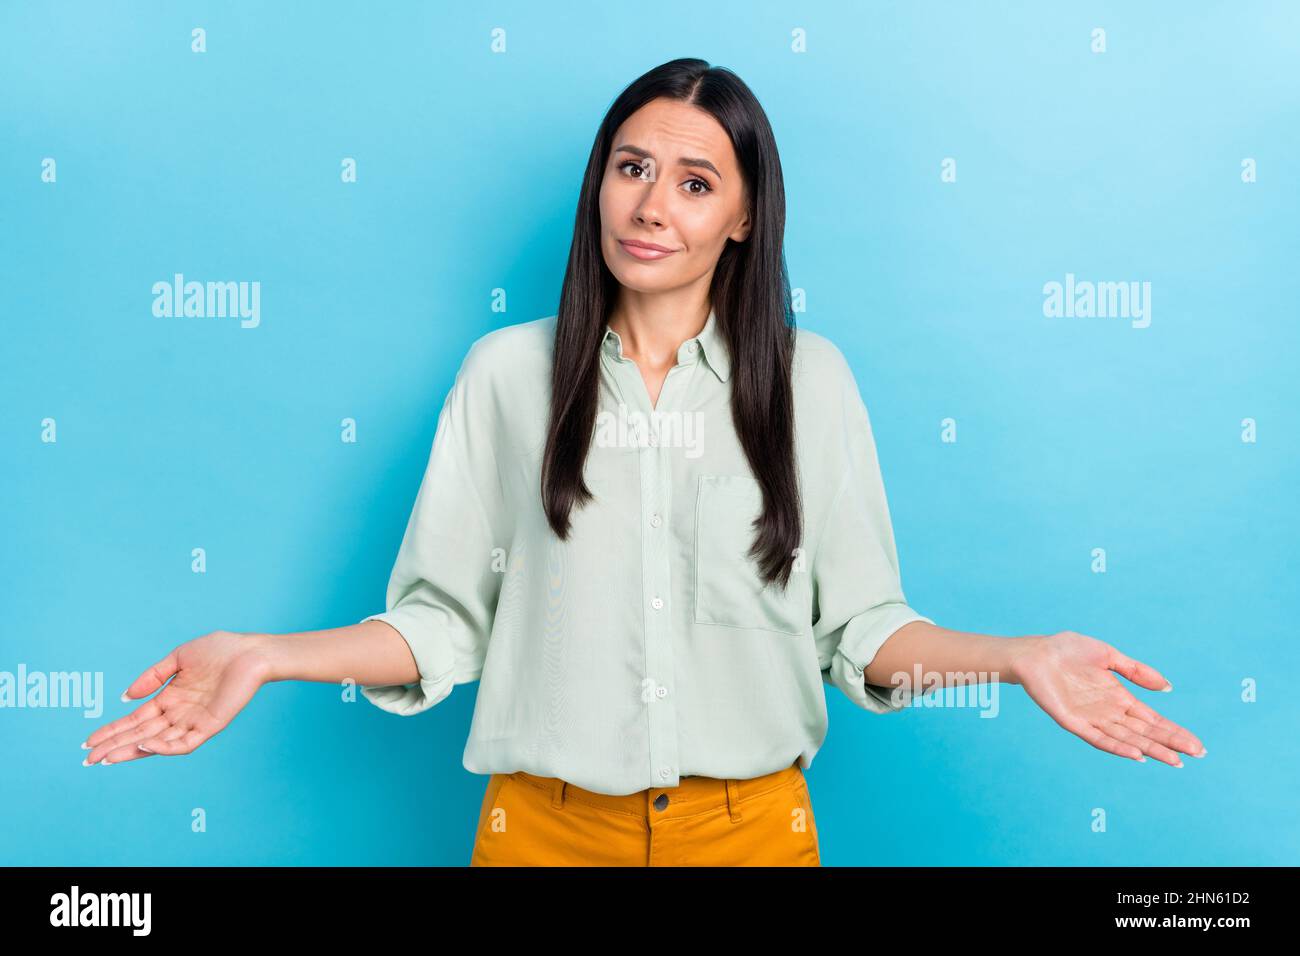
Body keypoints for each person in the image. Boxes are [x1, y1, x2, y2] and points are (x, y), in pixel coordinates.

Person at [79, 58, 1205, 867]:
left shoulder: (813, 383)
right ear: (599, 186)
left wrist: (1012, 656)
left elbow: (861, 628)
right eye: (630, 167)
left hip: (754, 833)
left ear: (746, 216)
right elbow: (439, 625)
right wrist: (268, 652)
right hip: (541, 831)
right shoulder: (505, 377)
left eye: (694, 181)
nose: (652, 203)